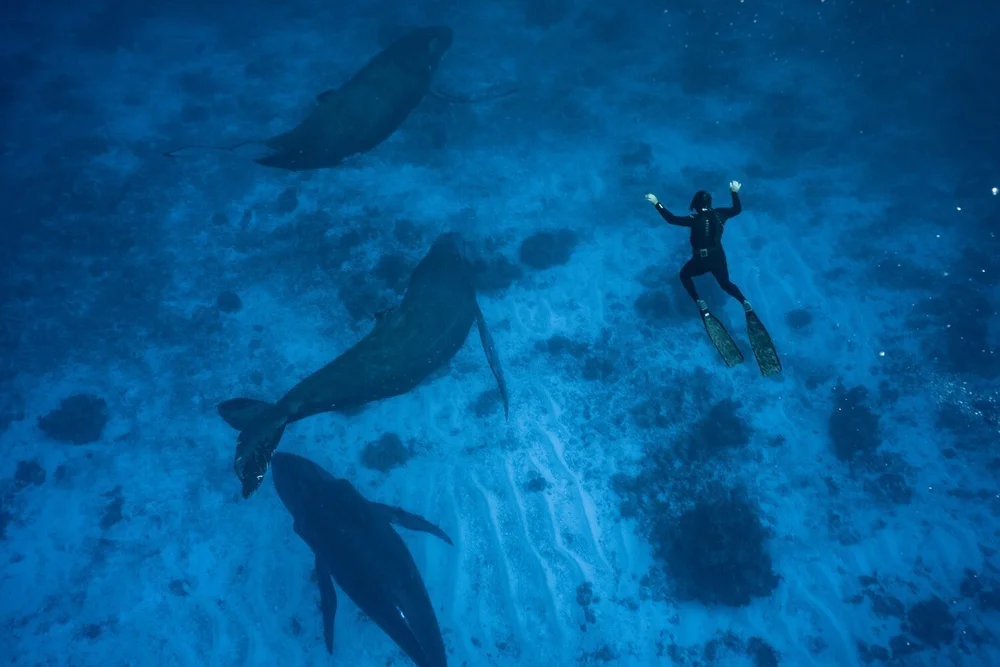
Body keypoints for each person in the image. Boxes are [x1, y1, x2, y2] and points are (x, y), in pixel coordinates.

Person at [644, 181, 753, 317]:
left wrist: (656, 203)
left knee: (684, 275)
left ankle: (698, 300)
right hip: (718, 256)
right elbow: (737, 209)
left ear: (695, 204)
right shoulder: (721, 214)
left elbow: (671, 219)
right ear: (710, 203)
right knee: (725, 283)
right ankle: (743, 302)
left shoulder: (693, 219)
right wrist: (734, 192)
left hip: (701, 259)